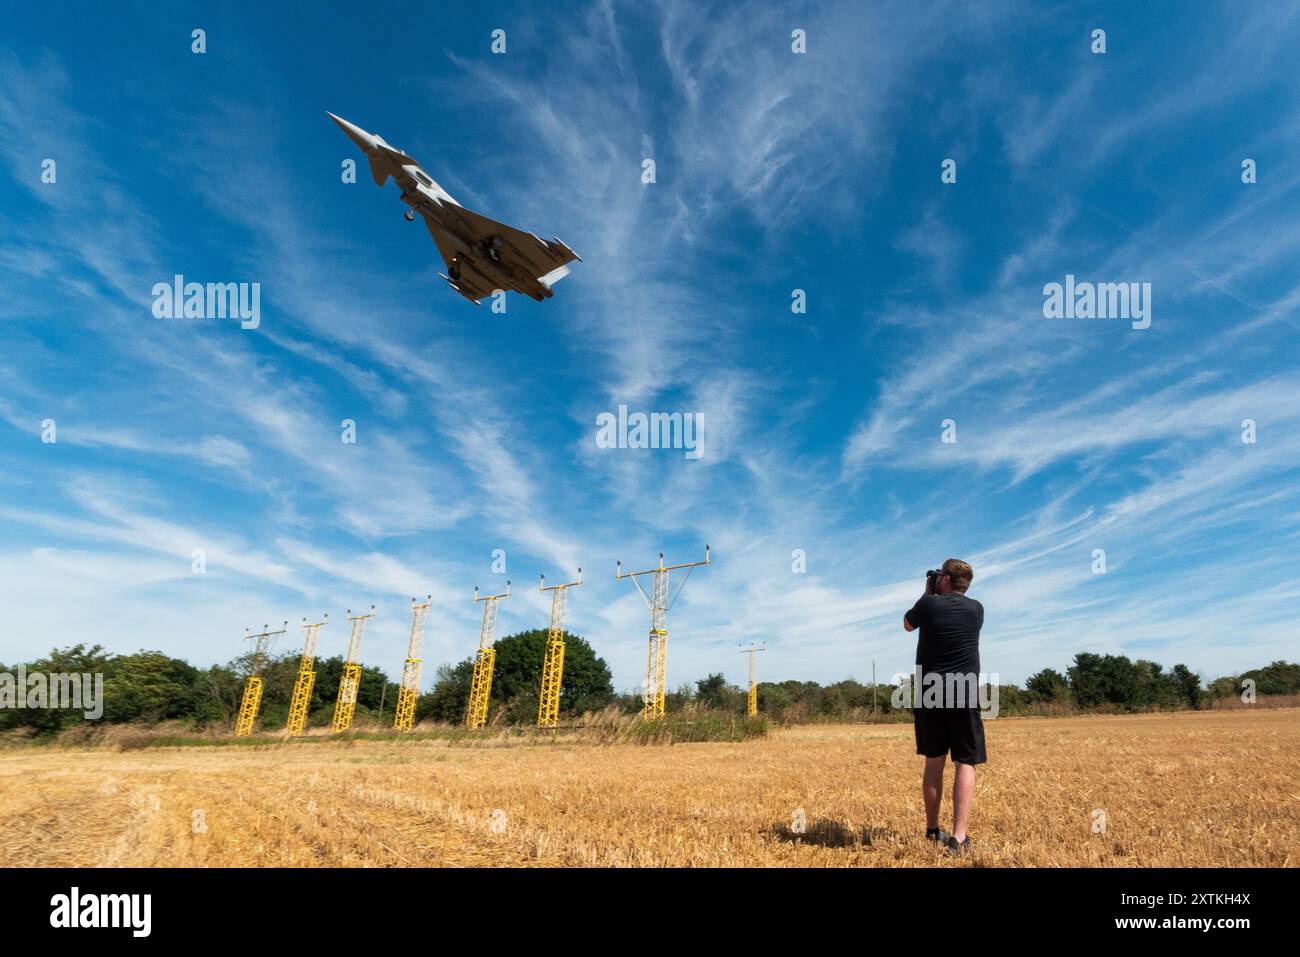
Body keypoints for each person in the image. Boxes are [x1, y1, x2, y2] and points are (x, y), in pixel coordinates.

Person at [903, 558, 985, 856]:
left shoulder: (928, 605)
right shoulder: (977, 609)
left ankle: (932, 829)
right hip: (964, 693)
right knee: (965, 762)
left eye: (940, 576)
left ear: (947, 580)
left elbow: (907, 624)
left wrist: (927, 592)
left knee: (934, 762)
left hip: (930, 694)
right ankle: (959, 837)